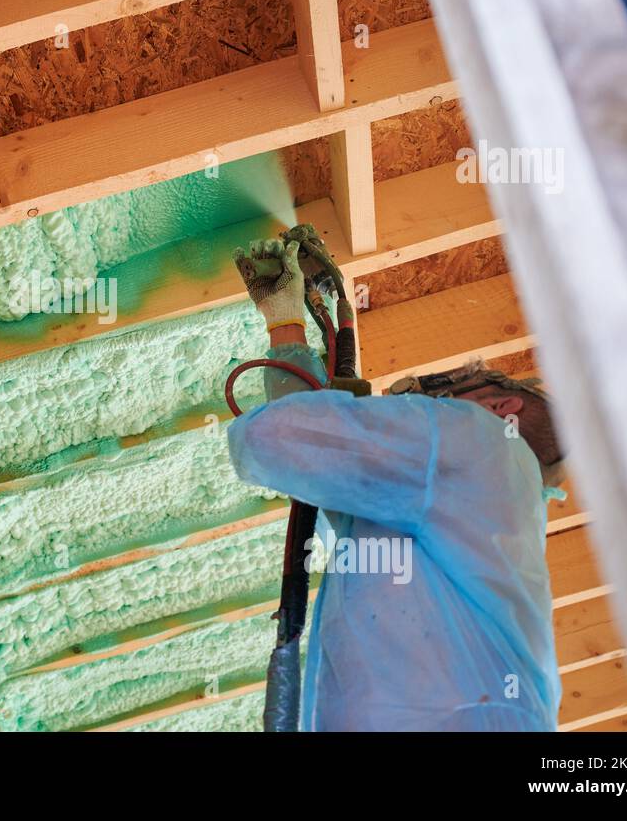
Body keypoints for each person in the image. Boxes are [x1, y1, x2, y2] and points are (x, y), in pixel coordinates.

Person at [228, 238, 566, 731]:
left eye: (455, 392)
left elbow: (278, 437)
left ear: (502, 408)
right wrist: (284, 321)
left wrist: (287, 323)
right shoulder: (484, 515)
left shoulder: (485, 439)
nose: (435, 402)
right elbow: (318, 461)